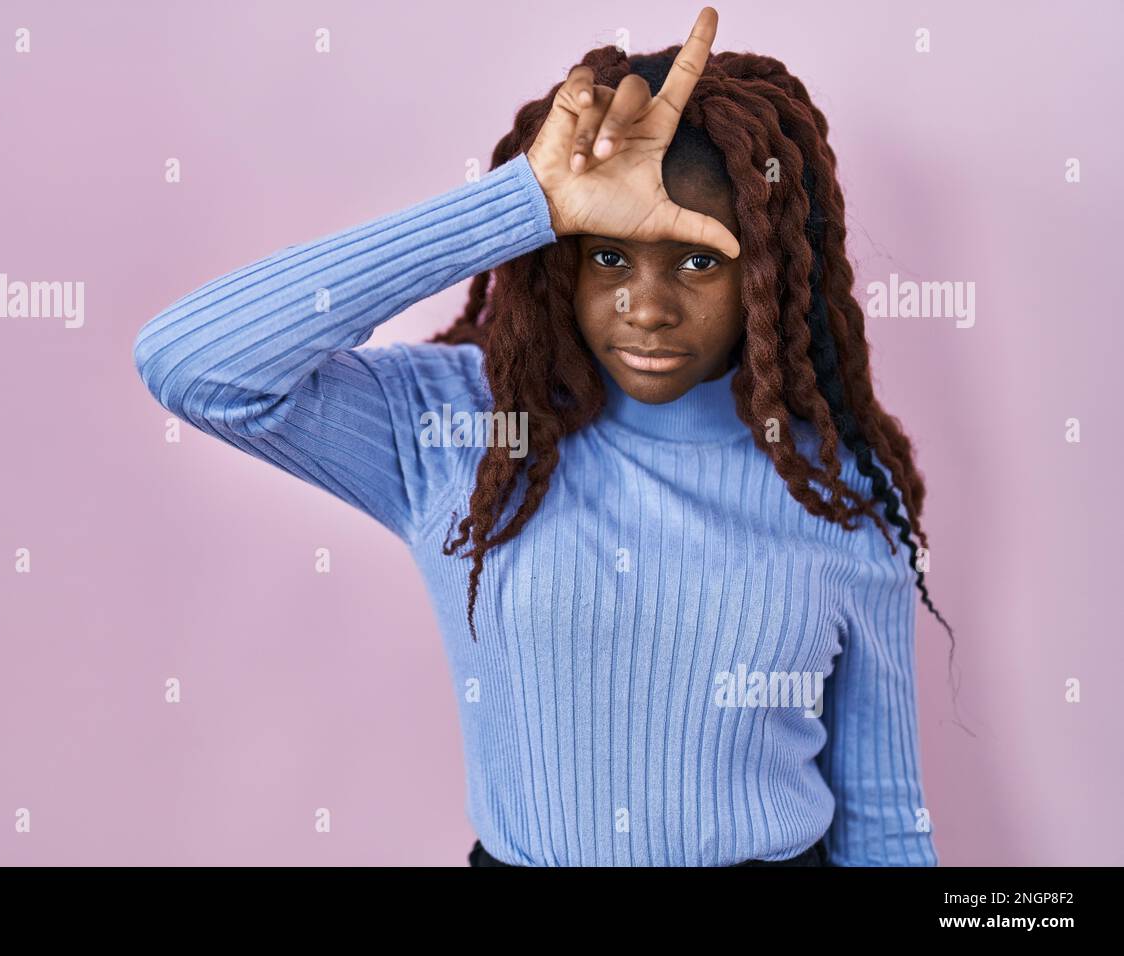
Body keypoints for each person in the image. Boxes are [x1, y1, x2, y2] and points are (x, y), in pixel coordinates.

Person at [133, 7, 948, 867]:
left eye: (699, 261)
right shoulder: (464, 430)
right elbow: (195, 365)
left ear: (770, 275)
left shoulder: (836, 489)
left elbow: (886, 821)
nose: (649, 306)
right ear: (559, 257)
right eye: (608, 257)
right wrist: (524, 202)